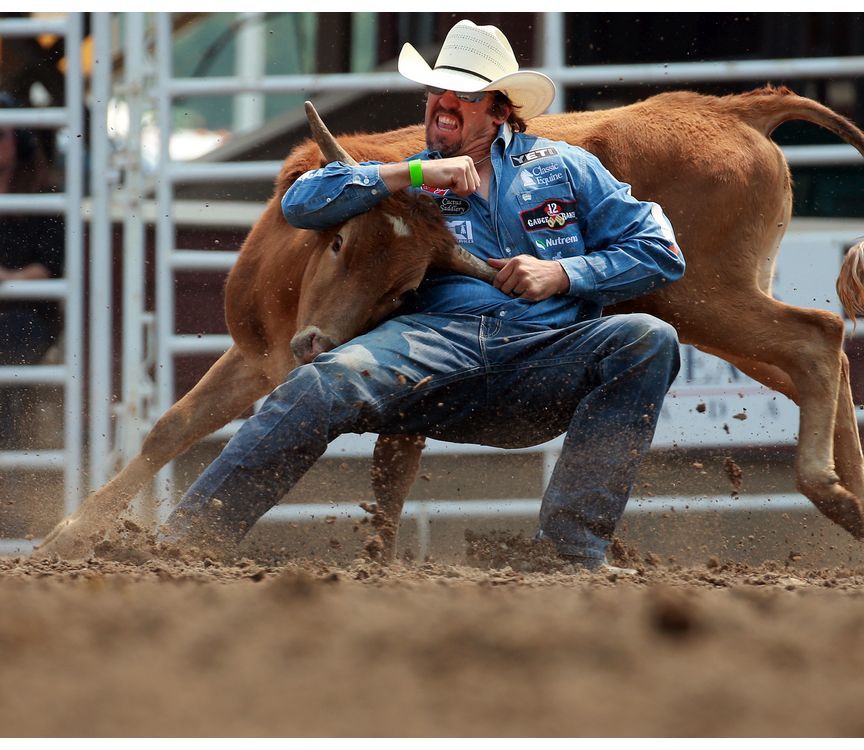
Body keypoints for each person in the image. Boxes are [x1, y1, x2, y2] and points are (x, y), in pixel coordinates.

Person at [161, 20, 685, 571]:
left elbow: (660, 250)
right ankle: (186, 545)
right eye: (437, 90)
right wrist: (412, 169)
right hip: (428, 347)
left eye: (465, 94)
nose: (443, 103)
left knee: (648, 338)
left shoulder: (567, 167)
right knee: (322, 379)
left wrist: (563, 273)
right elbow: (300, 205)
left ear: (500, 110)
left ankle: (571, 551)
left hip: (545, 351)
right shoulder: (401, 176)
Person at [0, 91, 64, 451]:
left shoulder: (45, 196)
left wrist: (8, 280)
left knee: (10, 339)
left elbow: (50, 265)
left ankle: (9, 478)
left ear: (21, 141)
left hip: (26, 315)